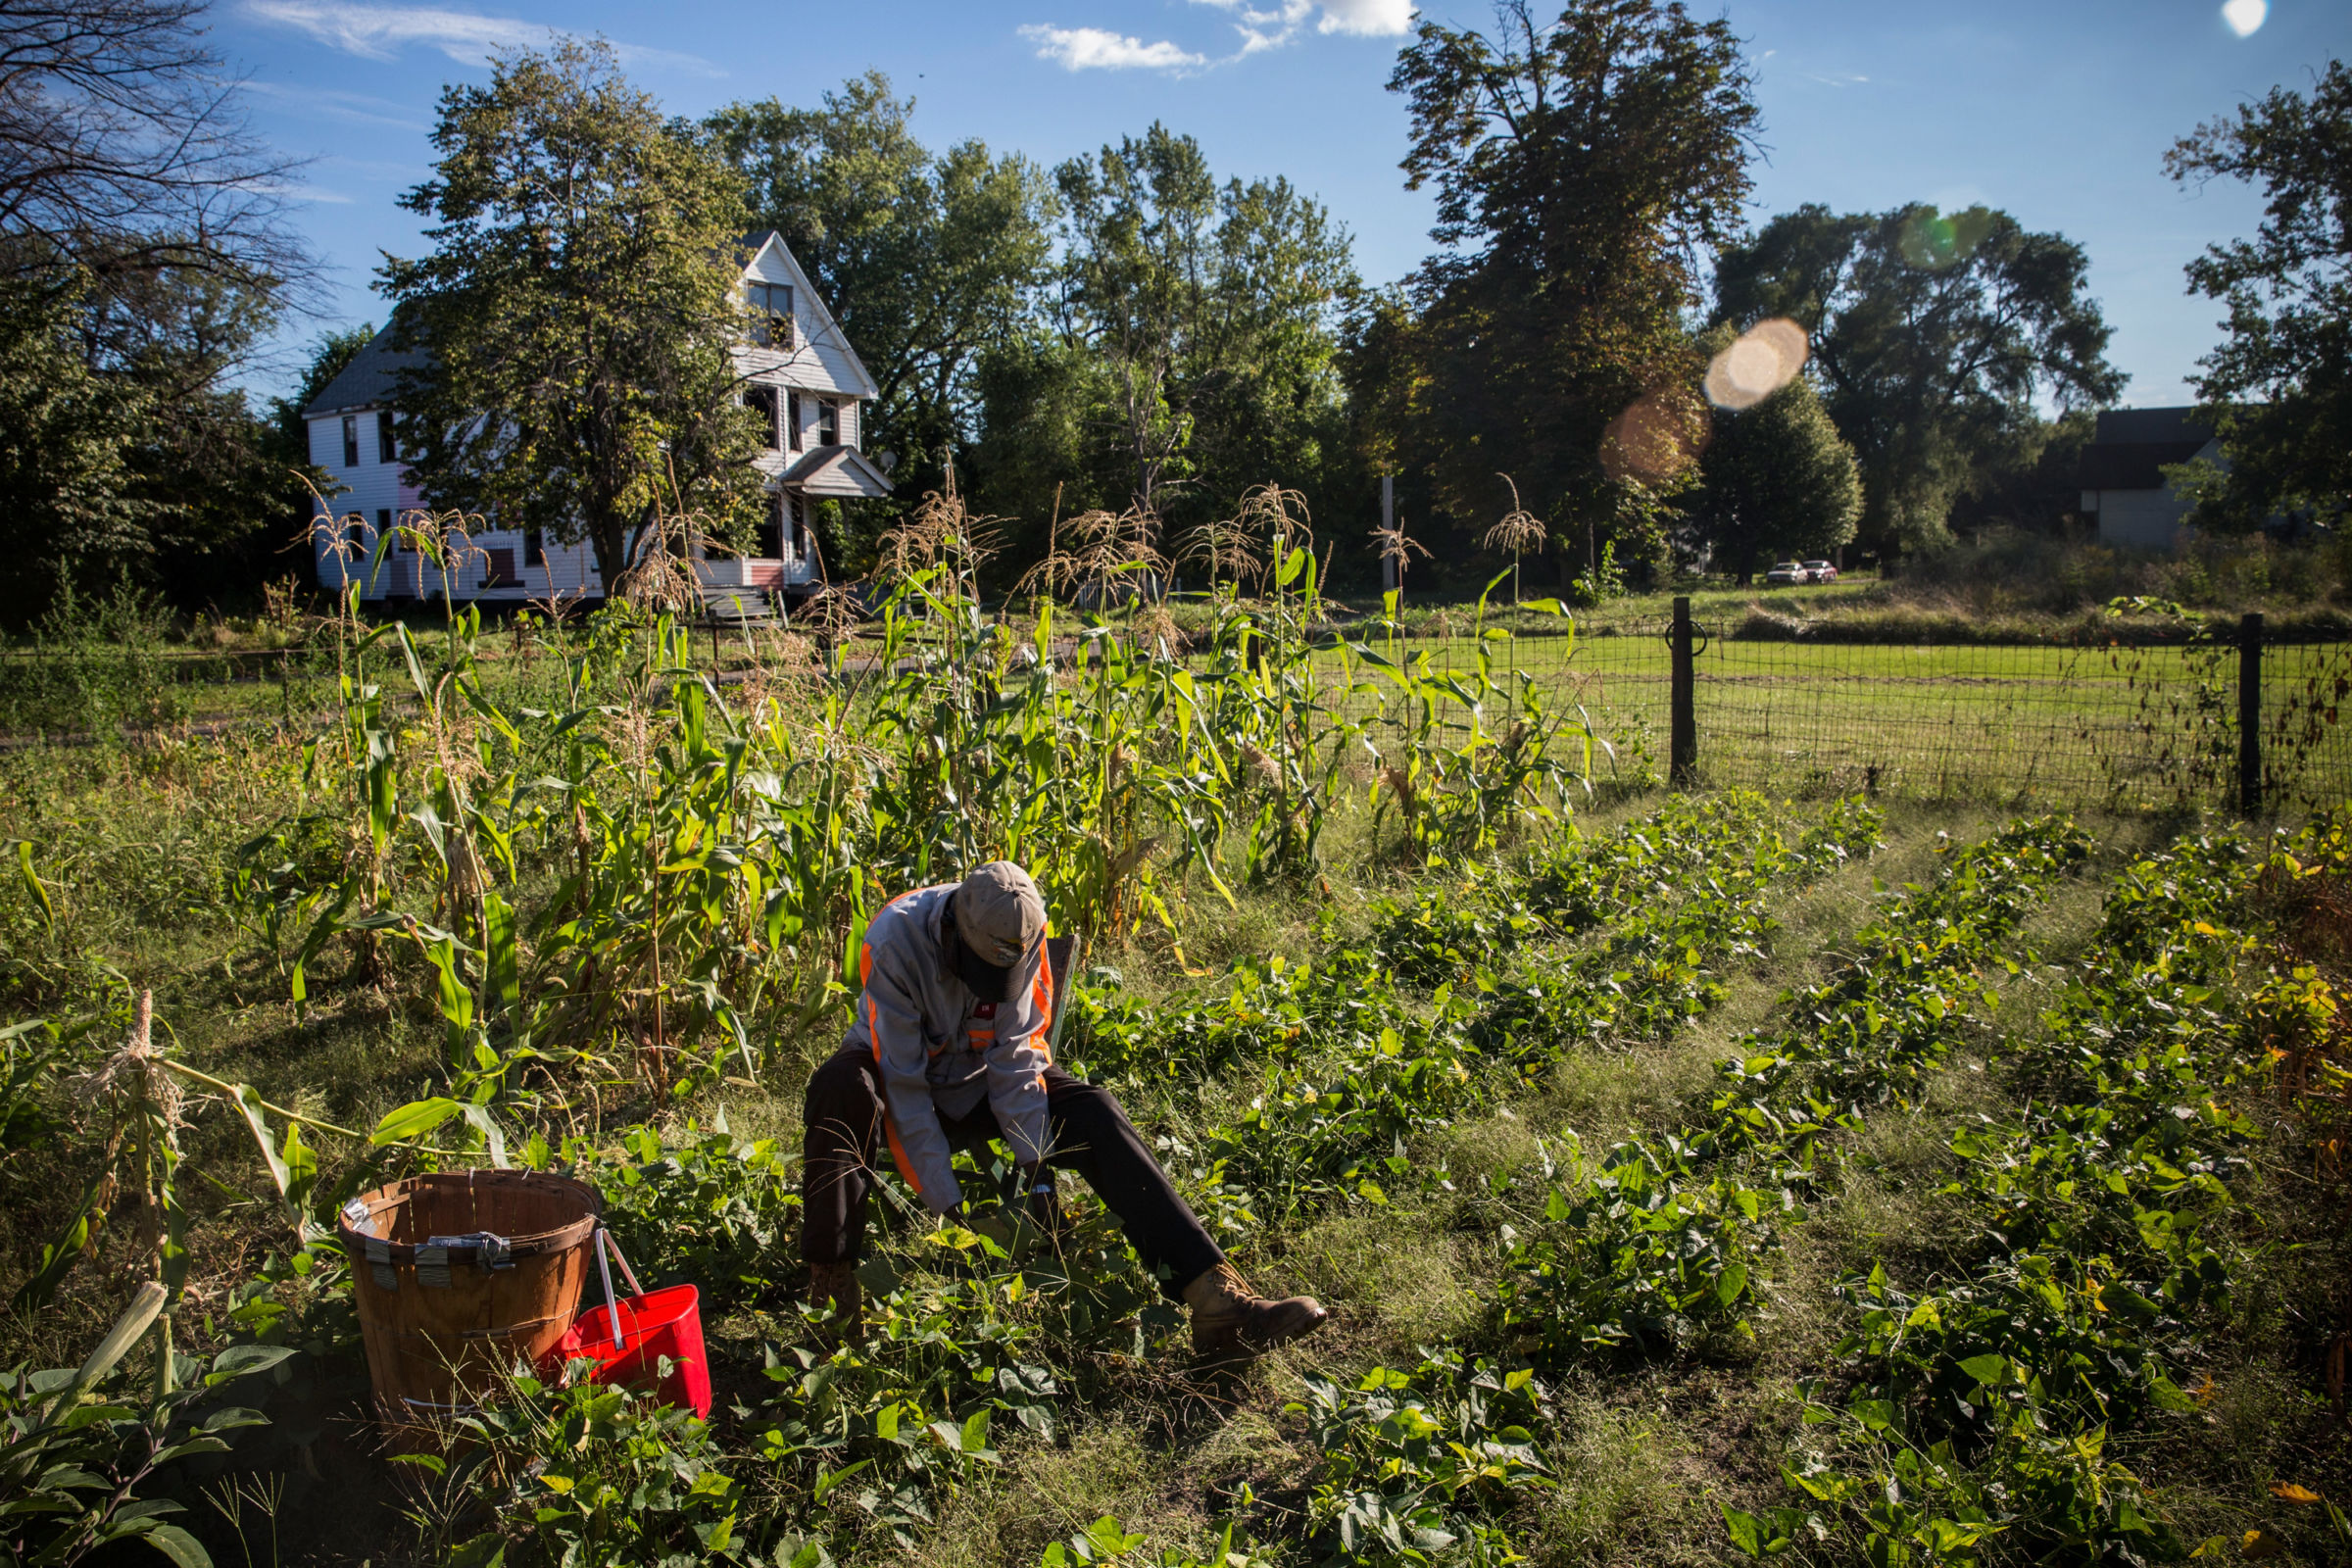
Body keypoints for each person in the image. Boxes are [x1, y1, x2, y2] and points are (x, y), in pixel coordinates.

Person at [801, 860, 1328, 1358]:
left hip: (980, 1076)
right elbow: (904, 1085)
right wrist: (951, 1210)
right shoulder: (896, 940)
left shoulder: (1024, 934)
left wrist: (1039, 1177)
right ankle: (832, 1289)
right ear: (955, 933)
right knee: (839, 1088)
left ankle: (1218, 1305)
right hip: (899, 1075)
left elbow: (1015, 1061)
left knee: (1093, 1110)